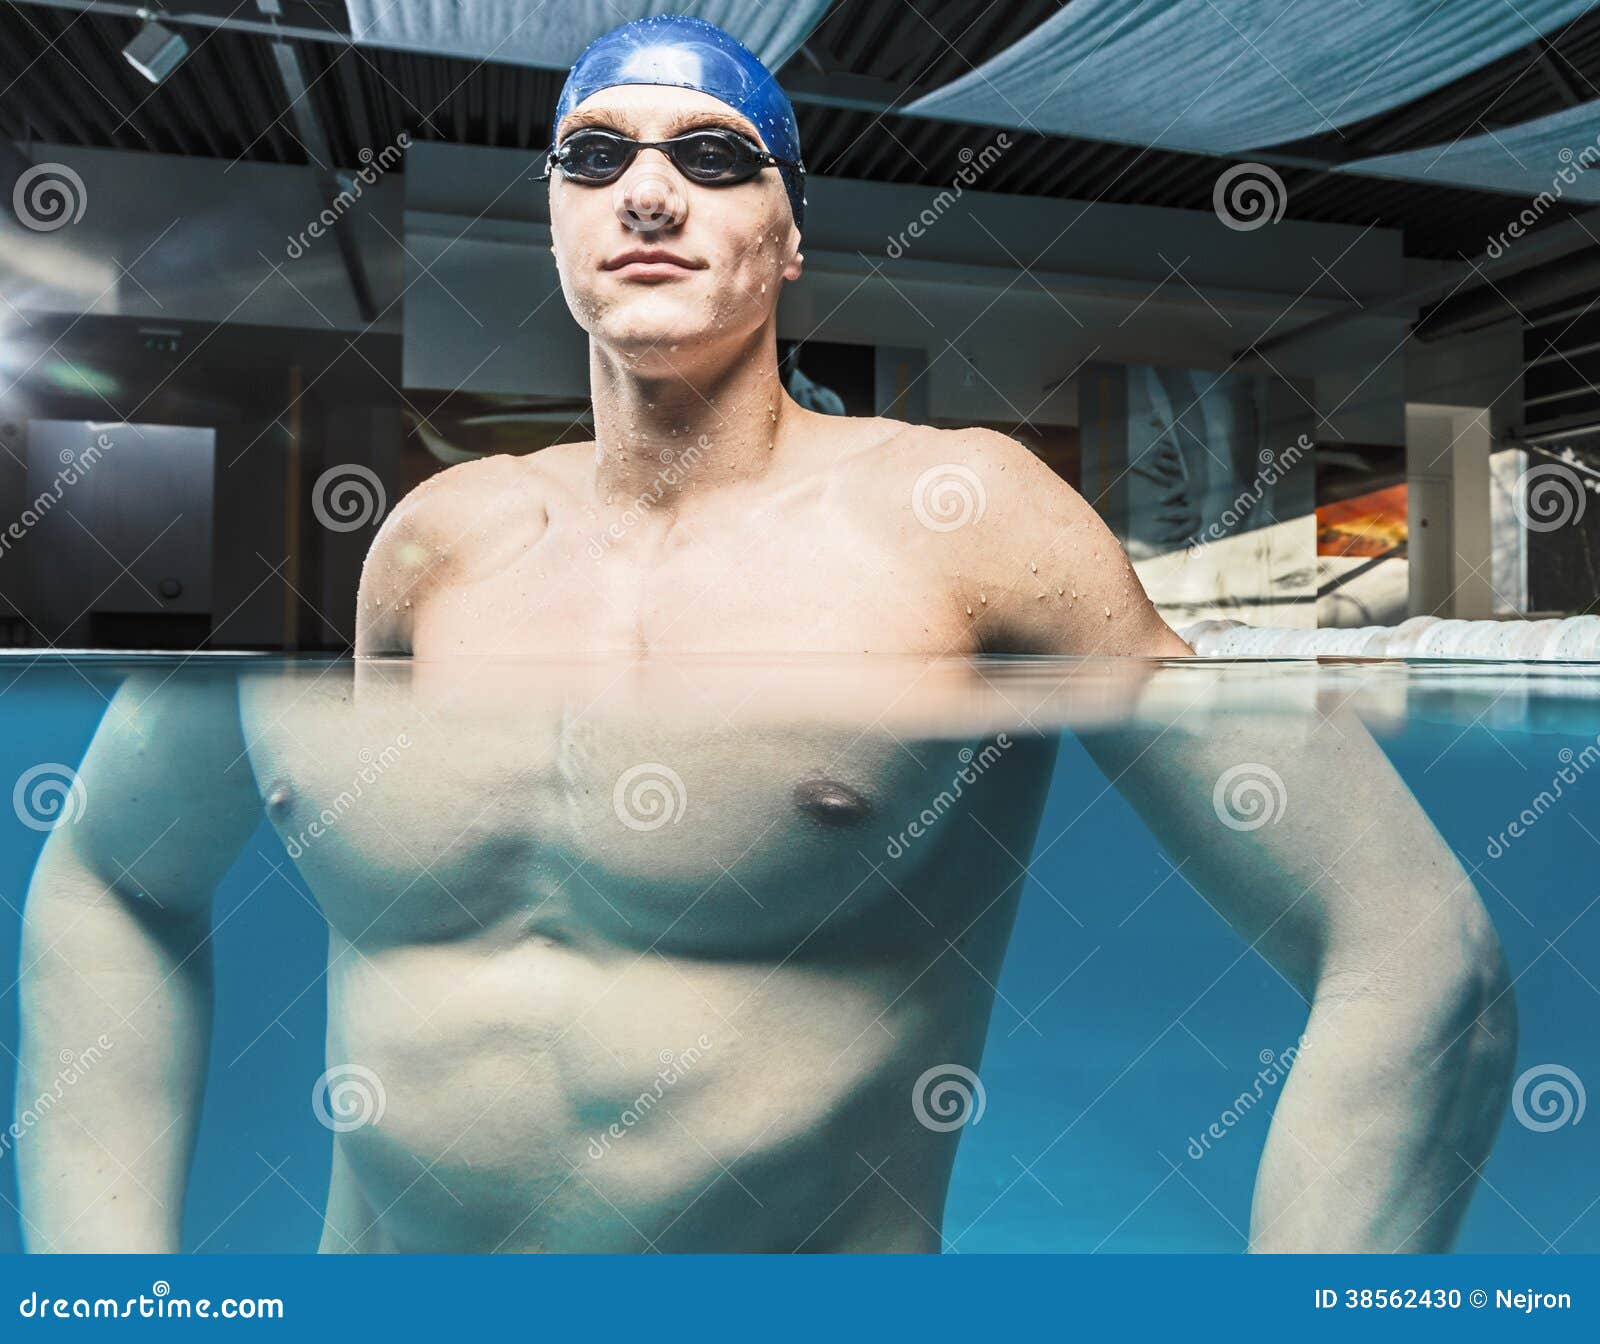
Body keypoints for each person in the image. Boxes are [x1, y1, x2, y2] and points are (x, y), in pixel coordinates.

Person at [18, 16, 1514, 1254]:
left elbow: (1411, 944)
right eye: (595, 158)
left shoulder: (963, 518)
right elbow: (111, 881)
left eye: (714, 159)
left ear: (789, 235)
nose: (647, 195)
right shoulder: (425, 544)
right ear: (553, 213)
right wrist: (109, 1296)